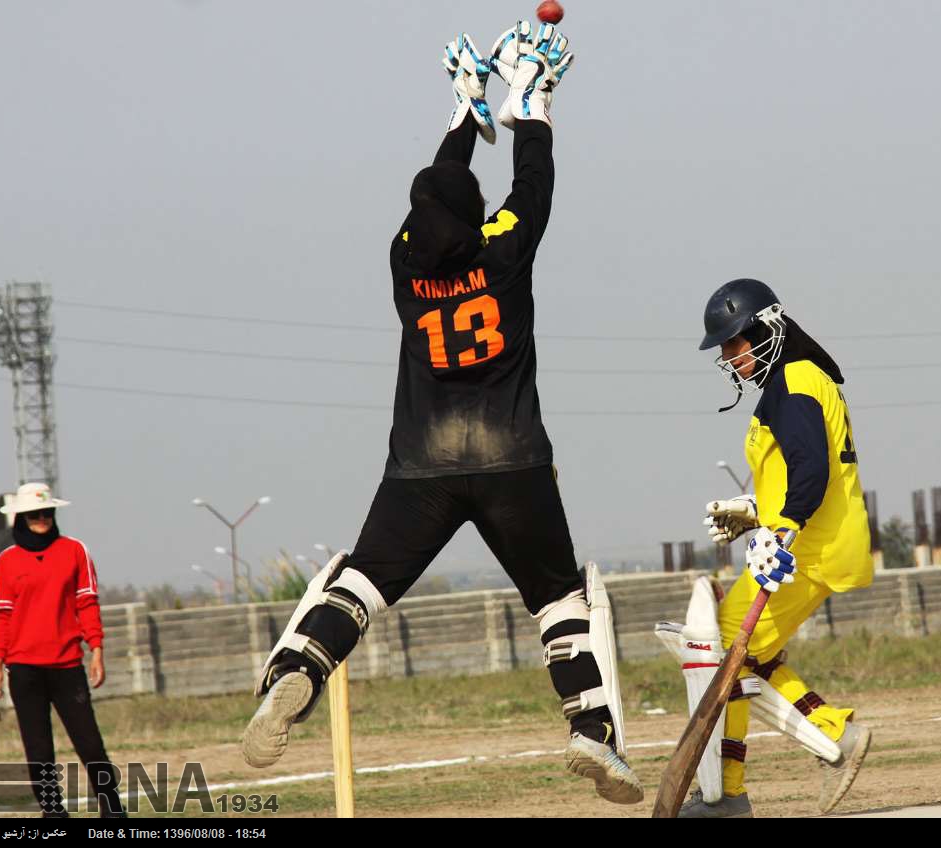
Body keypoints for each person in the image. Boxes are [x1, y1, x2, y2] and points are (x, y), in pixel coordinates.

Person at [241, 22, 643, 804]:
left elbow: (434, 192)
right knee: (558, 600)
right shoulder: (503, 250)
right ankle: (590, 732)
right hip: (512, 457)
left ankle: (299, 671)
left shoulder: (404, 260)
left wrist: (464, 110)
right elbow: (533, 183)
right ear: (473, 216)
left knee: (361, 583)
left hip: (420, 465)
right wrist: (531, 106)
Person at [678, 278, 874, 818]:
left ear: (769, 328)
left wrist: (781, 529)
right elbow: (797, 470)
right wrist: (755, 512)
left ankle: (728, 794)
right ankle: (833, 730)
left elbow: (812, 468)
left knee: (721, 649)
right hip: (812, 543)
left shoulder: (794, 379)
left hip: (810, 550)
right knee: (750, 655)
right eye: (723, 348)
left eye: (735, 342)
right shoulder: (795, 380)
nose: (729, 356)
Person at [0, 482, 126, 818]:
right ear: (21, 518)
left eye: (47, 512)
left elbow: (87, 604)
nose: (41, 519)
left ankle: (112, 809)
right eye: (34, 514)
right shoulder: (6, 561)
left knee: (90, 743)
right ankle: (53, 813)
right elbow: (2, 616)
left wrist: (97, 649)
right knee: (38, 750)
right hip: (24, 670)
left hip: (67, 666)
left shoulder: (74, 551)